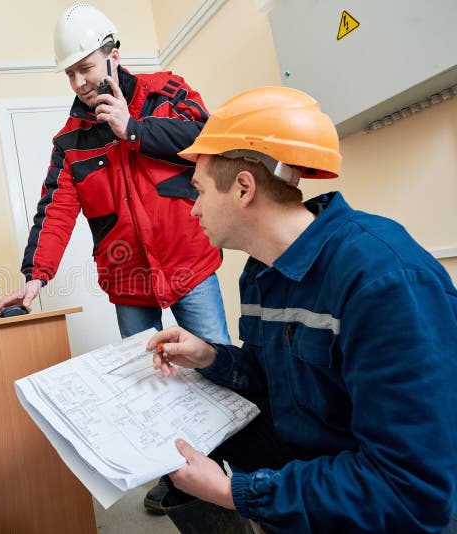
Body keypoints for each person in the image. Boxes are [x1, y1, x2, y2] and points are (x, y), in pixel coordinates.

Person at [145, 86, 457, 533]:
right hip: (310, 474)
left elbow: (409, 488)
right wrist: (211, 357)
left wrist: (232, 492)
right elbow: (278, 379)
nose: (192, 210)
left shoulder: (384, 282)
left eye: (197, 191)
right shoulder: (261, 272)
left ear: (243, 188)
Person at [0, 4, 230, 366]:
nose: (78, 83)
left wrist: (133, 129)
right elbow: (55, 212)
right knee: (144, 379)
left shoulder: (167, 91)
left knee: (218, 366)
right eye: (70, 74)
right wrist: (35, 277)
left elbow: (209, 139)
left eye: (85, 69)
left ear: (113, 57)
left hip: (190, 264)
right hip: (128, 281)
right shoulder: (69, 143)